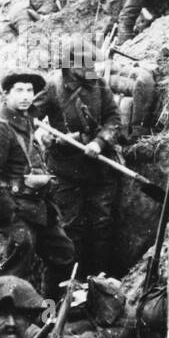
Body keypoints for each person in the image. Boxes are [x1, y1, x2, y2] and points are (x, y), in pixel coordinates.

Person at [0, 70, 76, 299]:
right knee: (21, 255)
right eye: (19, 90)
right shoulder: (1, 127)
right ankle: (3, 315)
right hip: (16, 208)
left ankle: (48, 315)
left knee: (64, 253)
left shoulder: (26, 119)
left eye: (30, 90)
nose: (25, 96)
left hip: (36, 204)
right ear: (6, 94)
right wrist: (12, 212)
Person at [33, 34, 122, 278]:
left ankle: (102, 281)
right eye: (85, 63)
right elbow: (30, 119)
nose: (91, 68)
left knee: (102, 224)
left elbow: (114, 118)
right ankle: (75, 284)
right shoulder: (52, 86)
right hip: (65, 170)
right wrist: (43, 136)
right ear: (70, 64)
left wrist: (99, 141)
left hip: (98, 167)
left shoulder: (96, 82)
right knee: (72, 228)